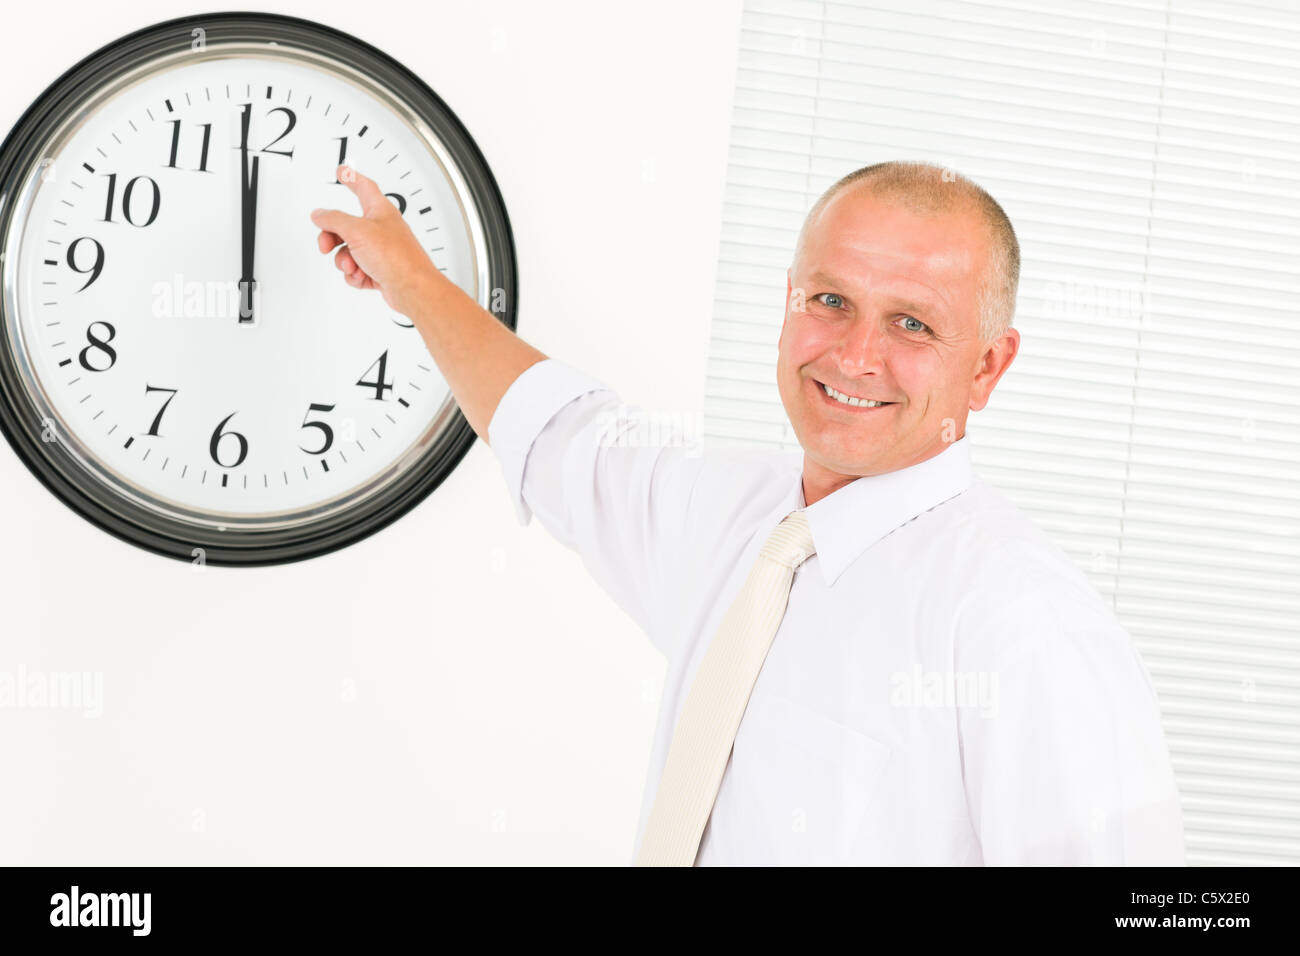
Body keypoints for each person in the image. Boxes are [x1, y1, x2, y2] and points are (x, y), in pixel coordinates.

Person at [310, 160, 1186, 866]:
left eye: (913, 324)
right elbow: (556, 430)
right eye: (830, 301)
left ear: (989, 369)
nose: (855, 354)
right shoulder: (730, 516)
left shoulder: (1022, 625)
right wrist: (413, 282)